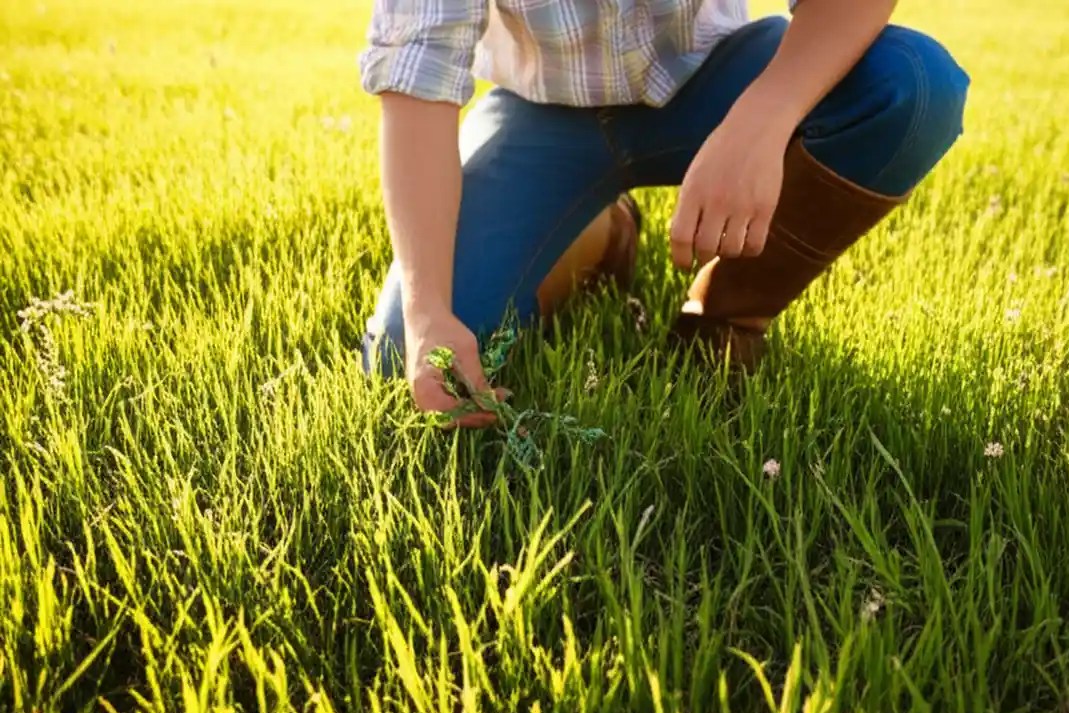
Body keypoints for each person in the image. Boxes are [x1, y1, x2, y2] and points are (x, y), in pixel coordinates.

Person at [359, 0, 969, 426]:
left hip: (715, 79)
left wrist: (760, 122)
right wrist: (428, 310)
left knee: (912, 86)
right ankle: (602, 234)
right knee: (403, 360)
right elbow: (420, 73)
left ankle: (722, 322)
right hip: (538, 113)